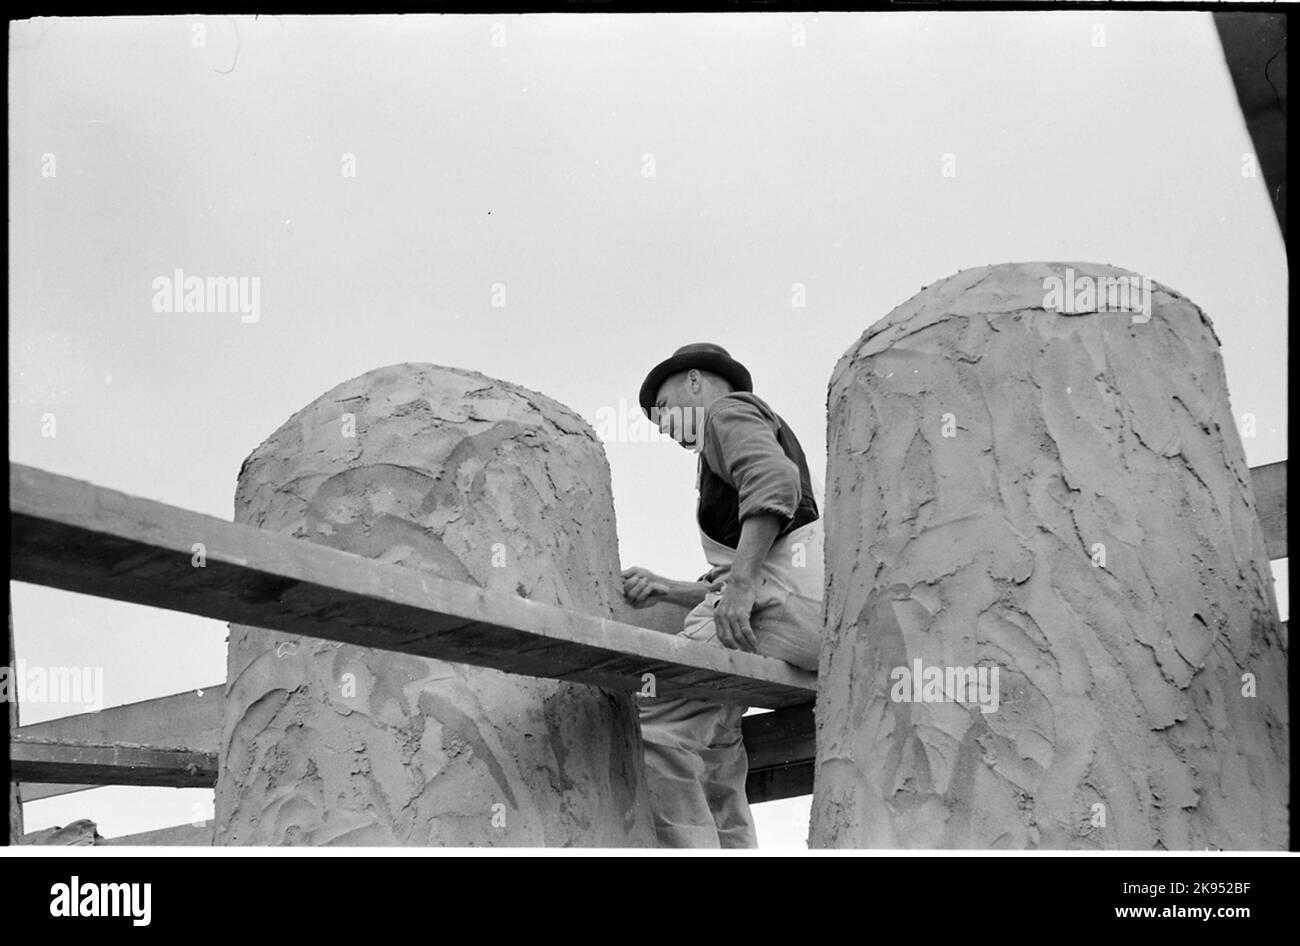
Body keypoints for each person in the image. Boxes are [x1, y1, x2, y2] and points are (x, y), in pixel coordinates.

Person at [622, 342, 824, 848]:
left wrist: (739, 585)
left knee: (649, 722)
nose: (664, 427)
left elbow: (773, 483)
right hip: (806, 613)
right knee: (715, 738)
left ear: (695, 380)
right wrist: (670, 589)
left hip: (779, 606)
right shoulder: (736, 431)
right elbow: (752, 564)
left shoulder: (725, 412)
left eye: (664, 411)